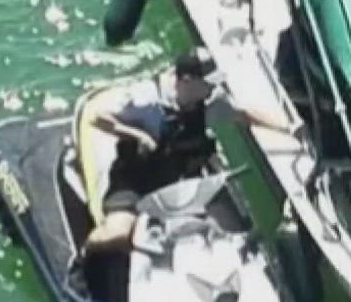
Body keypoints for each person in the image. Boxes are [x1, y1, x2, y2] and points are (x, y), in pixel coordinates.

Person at [82, 51, 293, 258]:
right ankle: (85, 254)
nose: (214, 87)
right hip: (136, 181)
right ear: (187, 80)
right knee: (118, 235)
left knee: (239, 232)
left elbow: (244, 115)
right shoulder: (145, 101)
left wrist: (289, 127)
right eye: (208, 83)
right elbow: (98, 118)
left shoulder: (211, 105)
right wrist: (140, 135)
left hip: (182, 183)